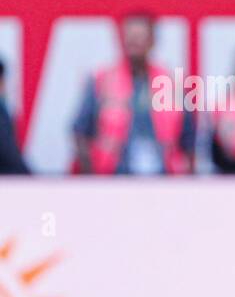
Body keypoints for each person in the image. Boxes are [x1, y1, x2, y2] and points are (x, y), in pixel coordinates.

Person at [72, 14, 195, 176]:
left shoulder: (171, 84)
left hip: (164, 177)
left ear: (152, 41)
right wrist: (93, 176)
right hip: (113, 176)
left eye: (139, 37)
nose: (133, 43)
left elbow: (189, 140)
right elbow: (81, 132)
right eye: (129, 37)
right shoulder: (102, 80)